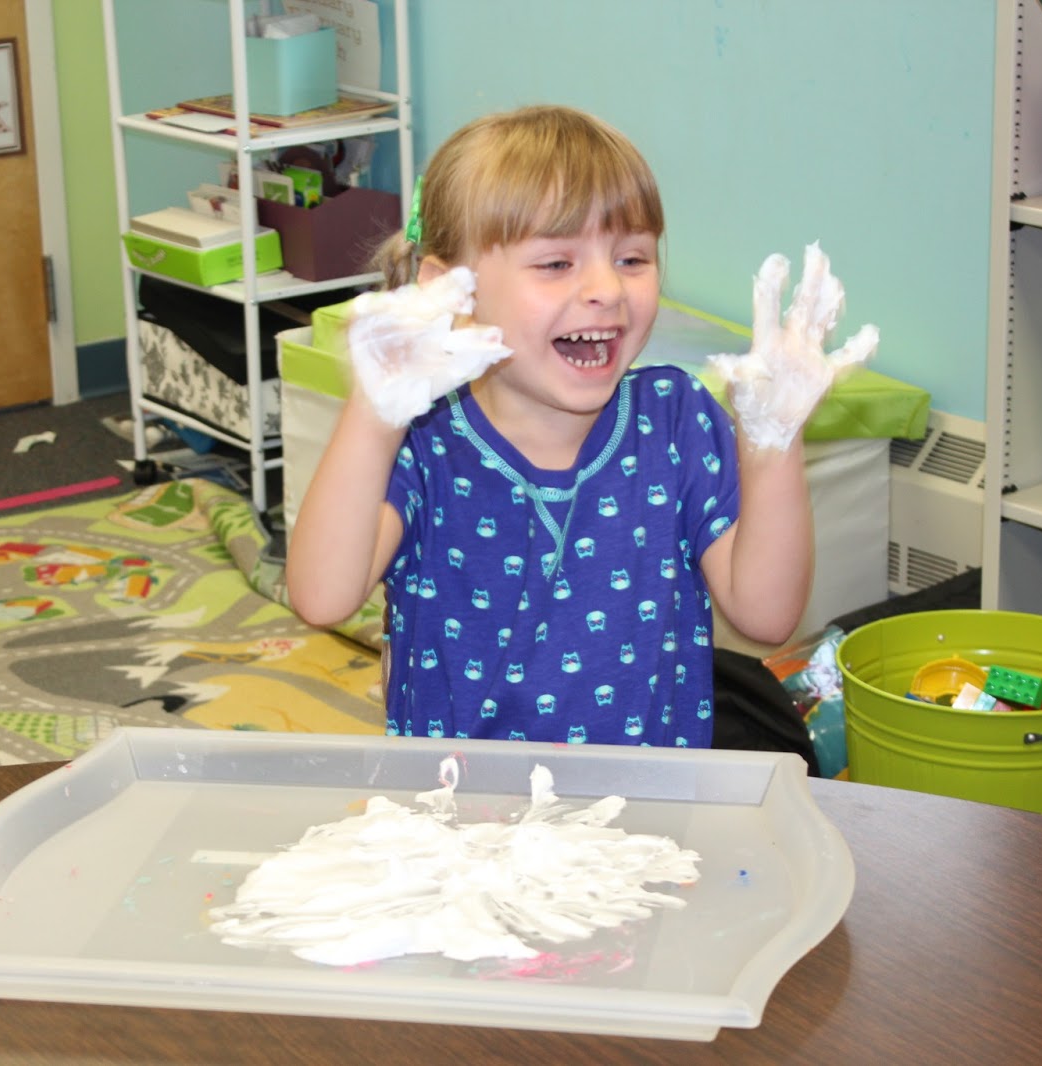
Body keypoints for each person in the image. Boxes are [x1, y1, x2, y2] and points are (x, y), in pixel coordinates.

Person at [286, 104, 875, 747]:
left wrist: (773, 441)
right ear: (449, 290)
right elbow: (321, 596)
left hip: (644, 823)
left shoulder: (673, 421)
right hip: (462, 824)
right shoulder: (425, 436)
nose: (607, 289)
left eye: (631, 259)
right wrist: (375, 413)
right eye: (556, 263)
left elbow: (768, 616)